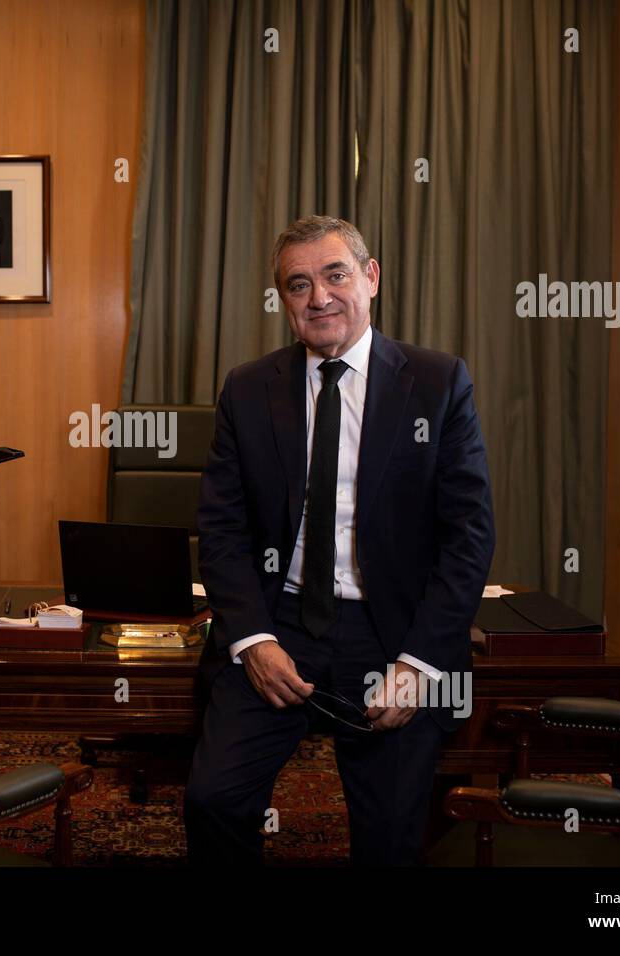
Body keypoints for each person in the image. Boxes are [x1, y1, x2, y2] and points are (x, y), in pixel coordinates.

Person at [184, 215, 496, 865]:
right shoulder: (248, 389)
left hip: (392, 635)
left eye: (335, 275)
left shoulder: (437, 383)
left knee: (389, 840)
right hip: (280, 623)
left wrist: (418, 666)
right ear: (283, 300)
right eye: (299, 285)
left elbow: (468, 535)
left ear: (371, 277)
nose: (319, 297)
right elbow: (221, 527)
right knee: (214, 800)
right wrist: (253, 640)